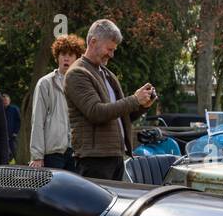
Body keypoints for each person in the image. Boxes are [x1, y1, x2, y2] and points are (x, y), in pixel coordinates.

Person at [64, 19, 155, 181]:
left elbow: (120, 117)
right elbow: (96, 113)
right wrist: (134, 99)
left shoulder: (107, 74)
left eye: (114, 50)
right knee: (95, 207)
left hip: (114, 156)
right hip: (94, 159)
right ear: (93, 42)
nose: (111, 55)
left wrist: (142, 105)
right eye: (109, 49)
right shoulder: (77, 73)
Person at [29, 34, 84, 170]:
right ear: (57, 57)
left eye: (71, 54)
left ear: (77, 58)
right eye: (63, 54)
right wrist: (37, 155)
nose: (66, 58)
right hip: (52, 153)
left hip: (77, 152)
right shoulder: (45, 83)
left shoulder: (83, 84)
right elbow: (37, 120)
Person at [2, 94, 21, 160]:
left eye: (6, 100)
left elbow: (19, 121)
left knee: (14, 150)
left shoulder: (14, 109)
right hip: (3, 135)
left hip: (13, 135)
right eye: (3, 100)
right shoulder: (0, 110)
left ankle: (18, 162)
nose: (5, 101)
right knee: (4, 151)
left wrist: (16, 132)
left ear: (9, 101)